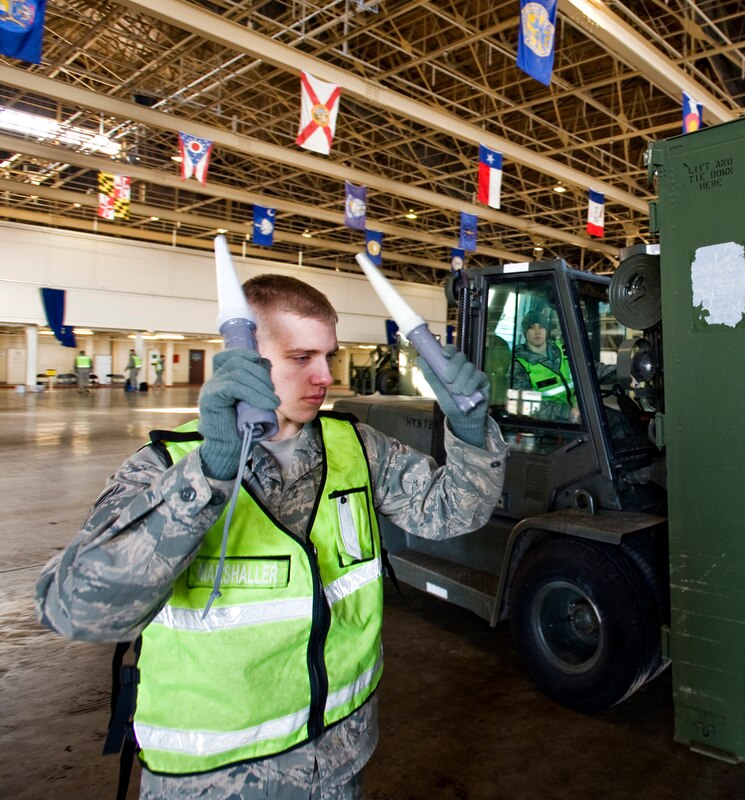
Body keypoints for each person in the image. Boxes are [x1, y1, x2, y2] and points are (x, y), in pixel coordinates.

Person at [35, 274, 507, 799]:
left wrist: (470, 431)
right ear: (247, 361)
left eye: (329, 356)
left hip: (338, 760)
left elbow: (450, 514)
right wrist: (209, 473)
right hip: (213, 780)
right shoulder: (166, 467)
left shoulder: (355, 446)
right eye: (301, 358)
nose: (326, 376)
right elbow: (77, 610)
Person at [511, 309, 578, 423]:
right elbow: (523, 403)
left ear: (547, 330)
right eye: (531, 327)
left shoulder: (563, 351)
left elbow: (593, 370)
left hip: (578, 413)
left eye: (541, 327)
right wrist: (568, 412)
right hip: (546, 423)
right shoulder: (519, 365)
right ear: (525, 332)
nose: (537, 332)